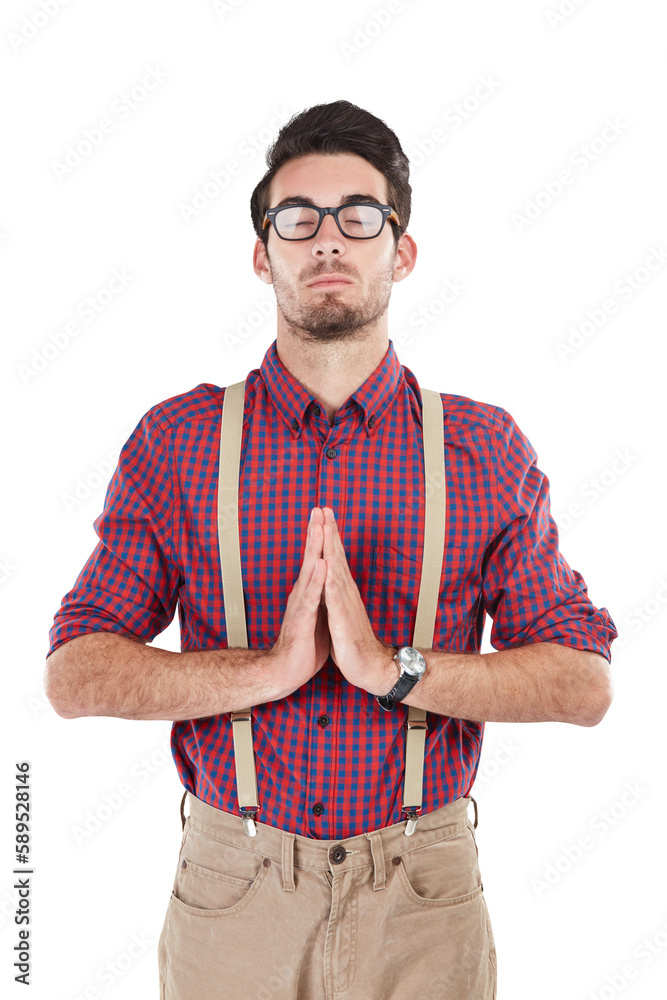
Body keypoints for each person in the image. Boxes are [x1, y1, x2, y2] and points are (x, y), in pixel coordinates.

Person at [44, 100, 617, 1000]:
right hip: (234, 889)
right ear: (262, 253)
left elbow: (583, 684)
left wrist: (395, 669)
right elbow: (74, 674)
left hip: (423, 892)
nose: (328, 240)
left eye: (359, 216)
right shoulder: (178, 440)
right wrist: (265, 672)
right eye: (296, 218)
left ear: (402, 250)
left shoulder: (482, 446)